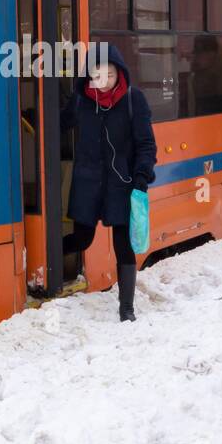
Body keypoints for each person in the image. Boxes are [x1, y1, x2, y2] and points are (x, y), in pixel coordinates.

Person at [60, 44, 157, 322]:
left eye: (110, 74)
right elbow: (60, 123)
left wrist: (141, 176)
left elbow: (146, 144)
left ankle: (126, 308)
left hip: (122, 184)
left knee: (123, 246)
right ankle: (49, 261)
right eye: (98, 75)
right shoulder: (81, 101)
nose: (104, 81)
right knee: (82, 238)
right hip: (88, 182)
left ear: (119, 74)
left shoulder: (132, 99)